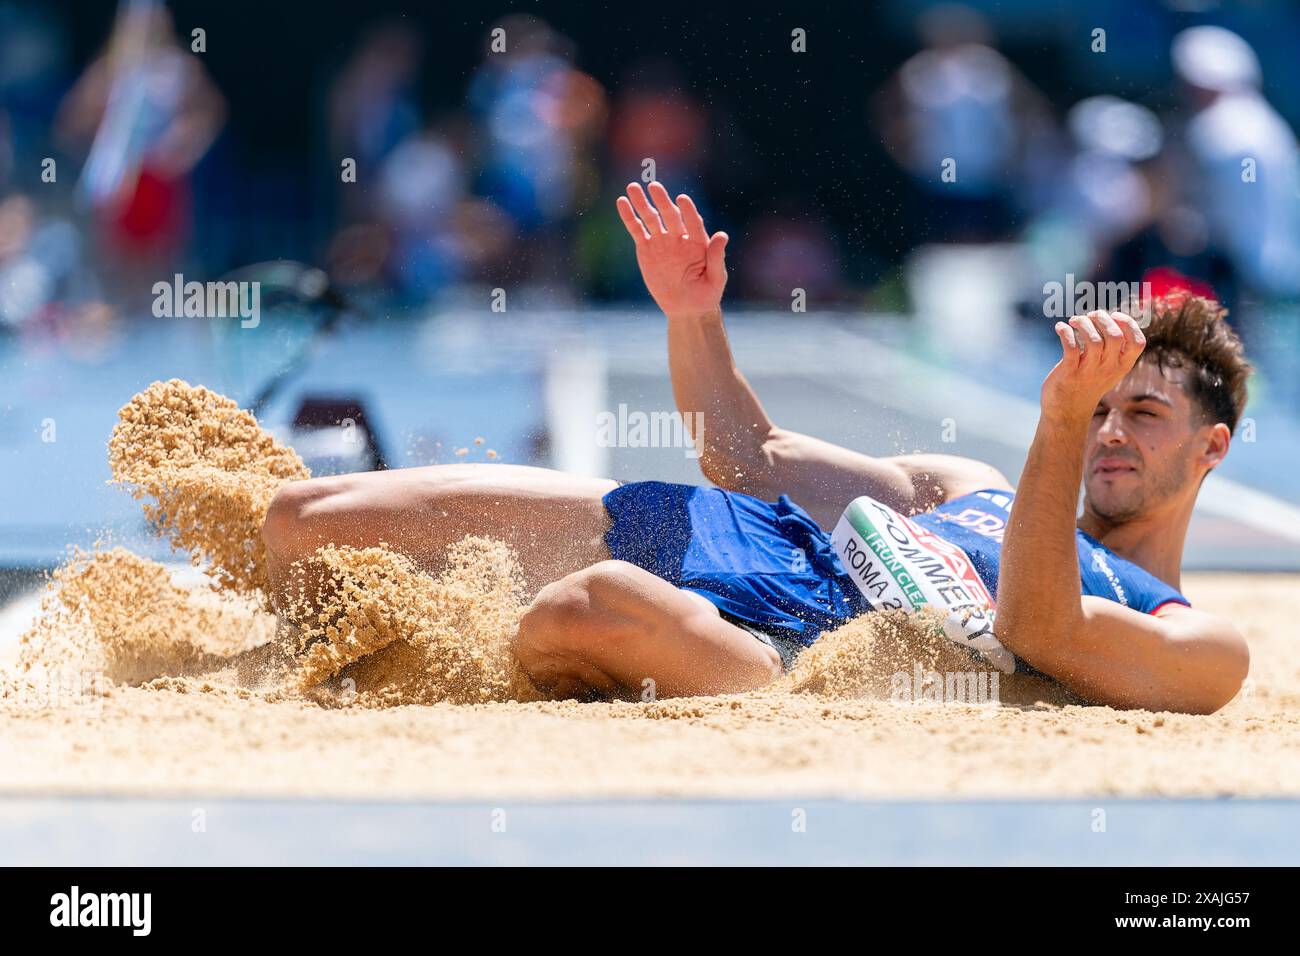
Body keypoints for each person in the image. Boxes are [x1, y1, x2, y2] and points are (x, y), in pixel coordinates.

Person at [262, 182, 1251, 714]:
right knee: (302, 523)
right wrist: (692, 316)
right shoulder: (971, 485)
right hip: (732, 534)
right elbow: (750, 455)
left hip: (781, 649)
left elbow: (1043, 630)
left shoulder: (1193, 641)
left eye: (1141, 416)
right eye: (1101, 408)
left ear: (1209, 448)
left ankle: (464, 647)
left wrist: (1056, 421)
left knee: (590, 606)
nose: (1107, 431)